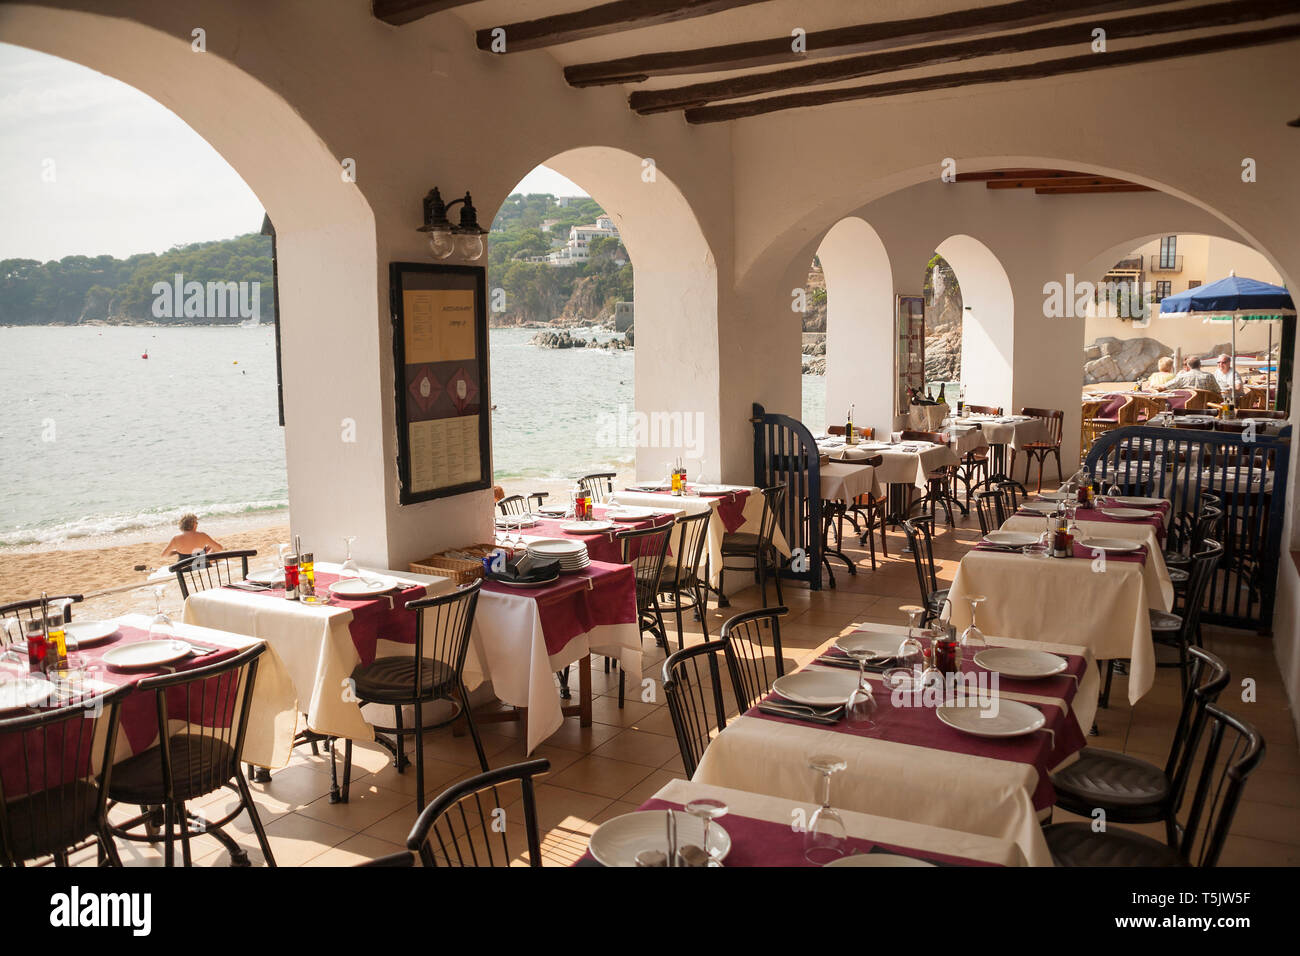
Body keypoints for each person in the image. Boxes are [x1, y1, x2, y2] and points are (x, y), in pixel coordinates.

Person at [1155, 356, 1221, 397]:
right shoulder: (1209, 376)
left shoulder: (1182, 377)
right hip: (1207, 407)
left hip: (1186, 407)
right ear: (1200, 365)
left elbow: (1165, 387)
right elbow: (1218, 391)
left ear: (1188, 366)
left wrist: (1153, 387)